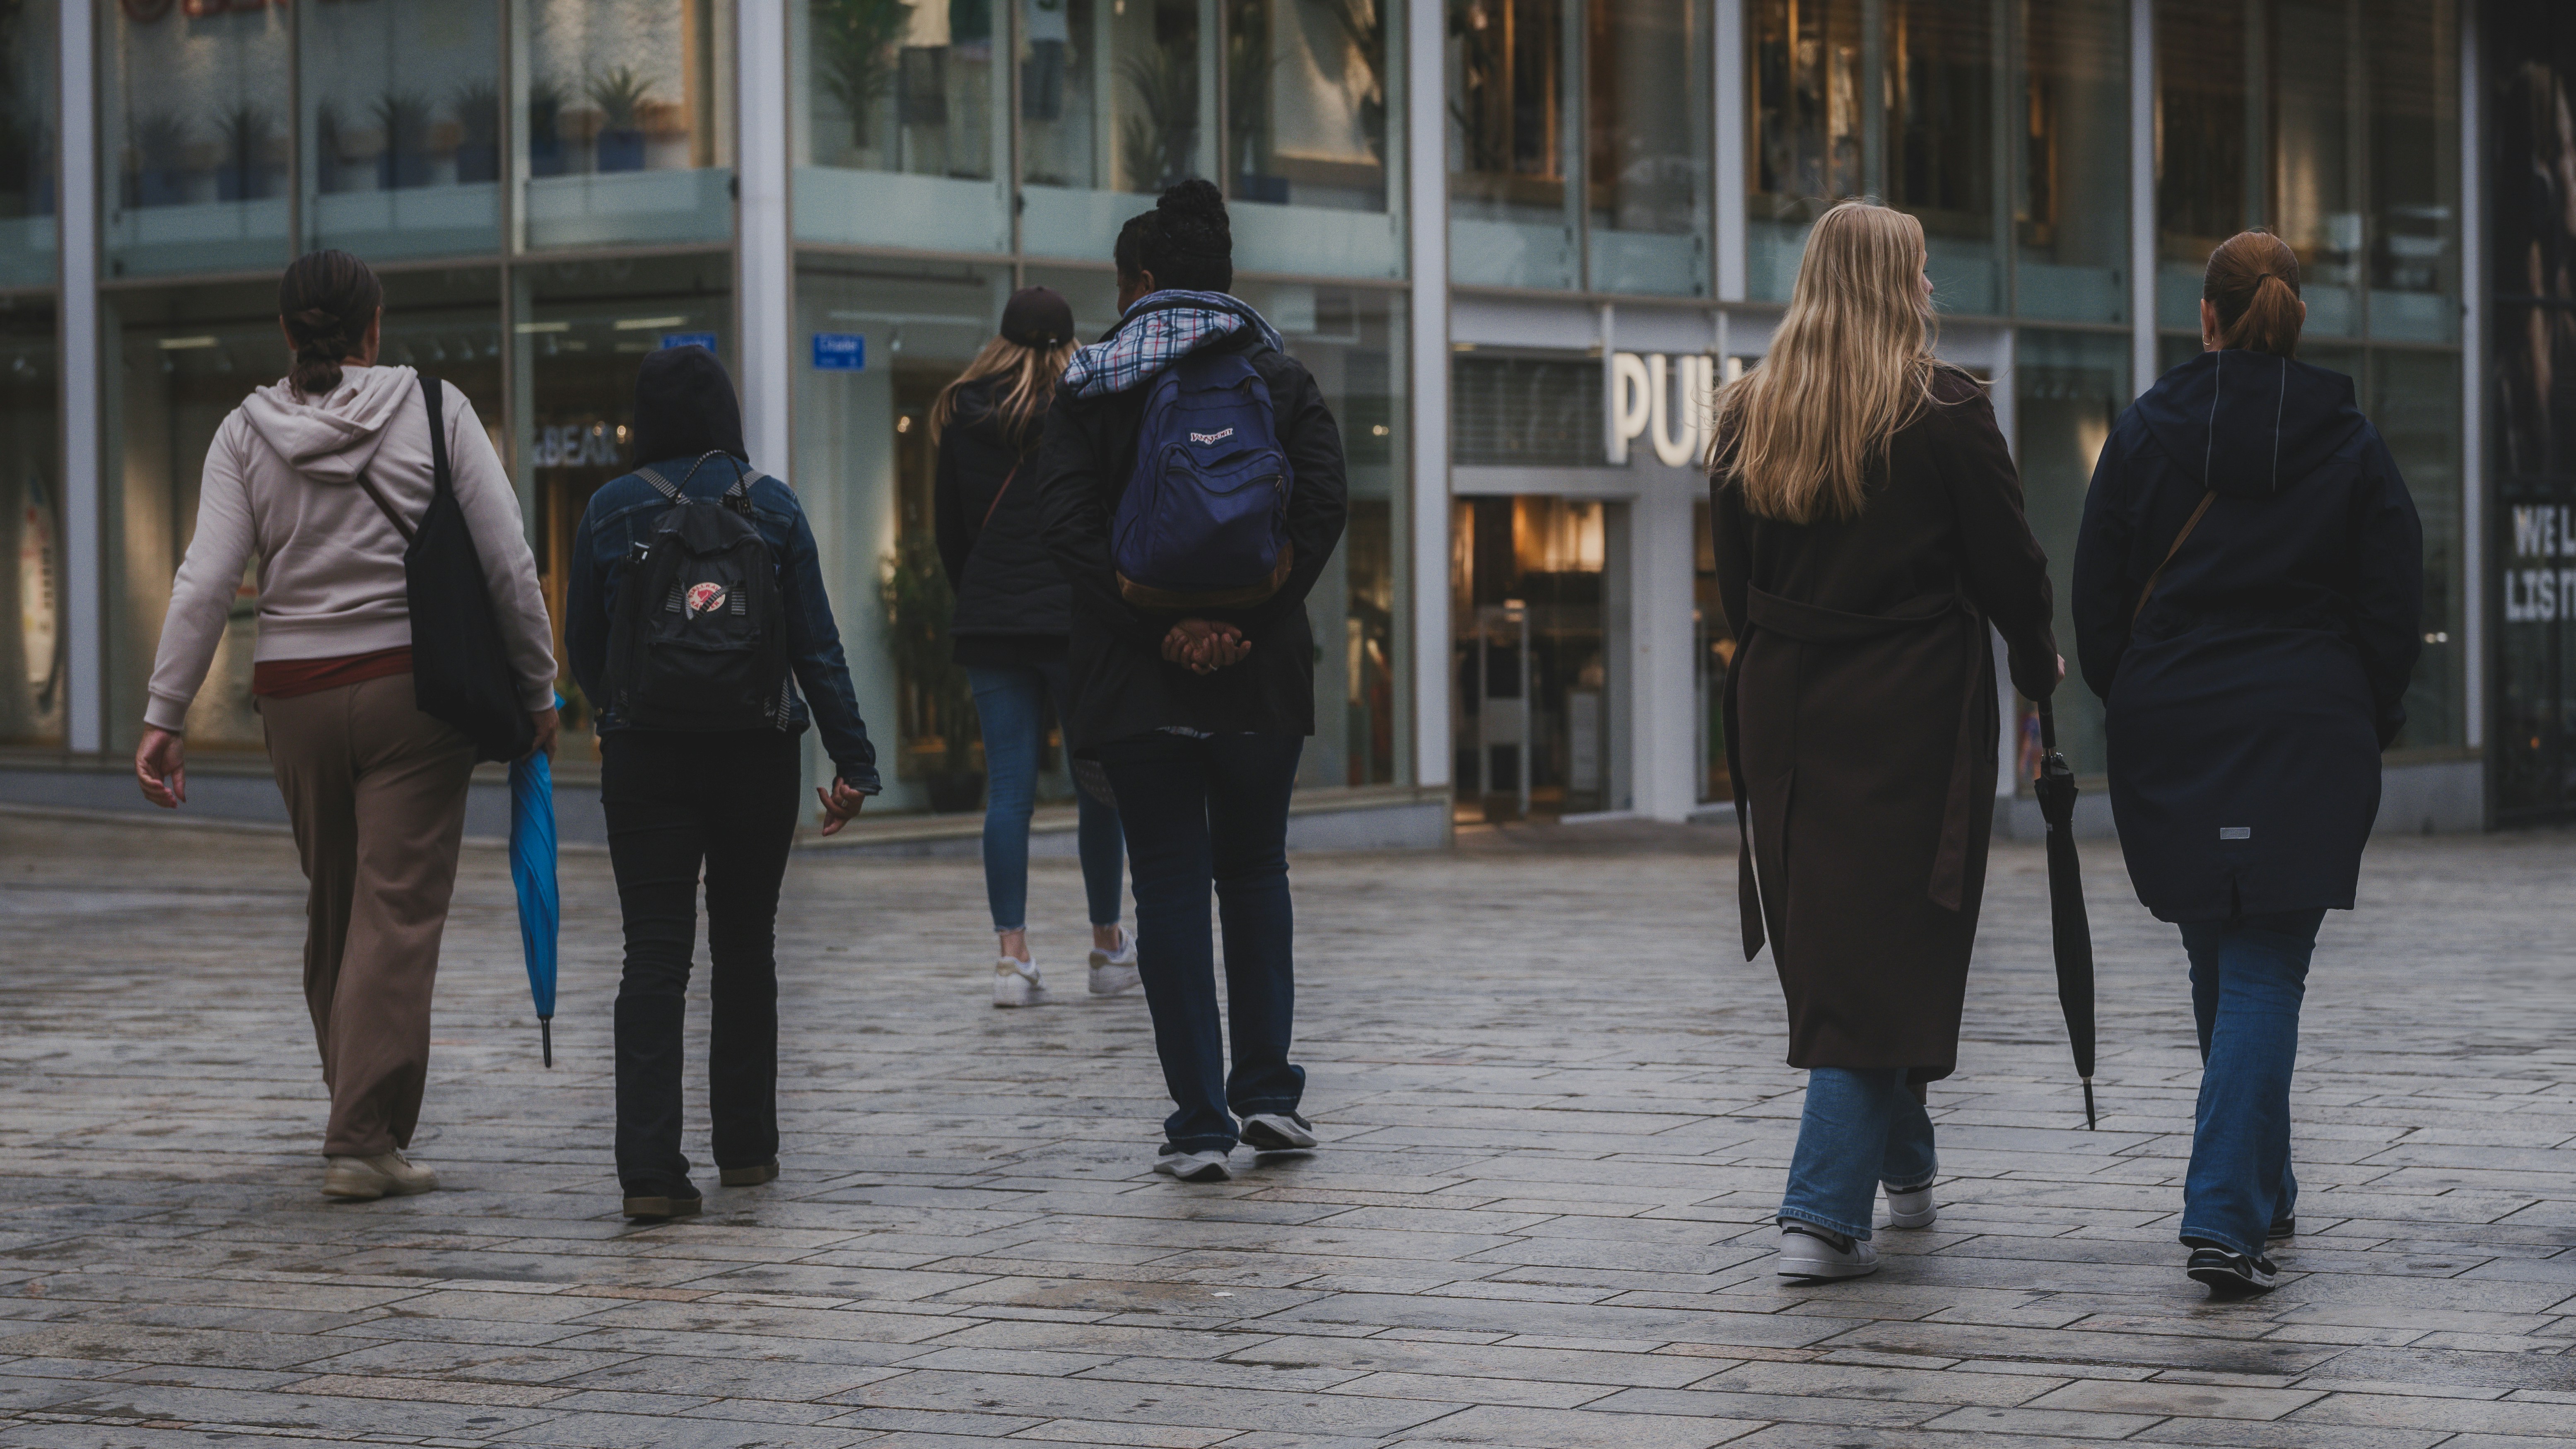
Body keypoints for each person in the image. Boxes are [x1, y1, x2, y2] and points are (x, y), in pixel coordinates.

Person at [133, 249, 559, 1202]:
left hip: (296, 698)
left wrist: (166, 714)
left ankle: (356, 1112)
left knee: (337, 905)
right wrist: (540, 692)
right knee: (395, 909)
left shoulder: (245, 432)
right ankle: (363, 1135)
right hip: (417, 697)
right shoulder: (436, 408)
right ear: (374, 326)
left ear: (287, 332)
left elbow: (205, 582)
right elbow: (508, 566)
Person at [1707, 201, 2060, 1281]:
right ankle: (1818, 1213)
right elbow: (2012, 573)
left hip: (1788, 709)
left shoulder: (1743, 413)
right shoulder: (1946, 412)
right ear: (1897, 285)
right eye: (1919, 273)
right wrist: (2038, 682)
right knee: (1884, 939)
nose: (1927, 293)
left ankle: (1901, 1162)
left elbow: (1736, 591)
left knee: (1846, 942)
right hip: (1911, 708)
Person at [2072, 230, 2422, 1298]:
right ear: (2294, 315)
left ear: (2207, 319)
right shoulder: (2350, 441)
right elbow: (2393, 603)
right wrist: (2363, 714)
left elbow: (2094, 595)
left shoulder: (2141, 434)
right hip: (2305, 727)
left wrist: (2128, 692)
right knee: (2262, 962)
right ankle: (2231, 1213)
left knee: (2221, 958)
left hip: (2173, 723)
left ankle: (2252, 1197)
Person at [1036, 179, 1348, 1183]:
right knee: (1255, 872)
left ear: (1144, 280)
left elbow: (1069, 526)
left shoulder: (1093, 384)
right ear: (1228, 278)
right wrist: (1247, 623)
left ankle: (1201, 1126)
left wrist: (1159, 631)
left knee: (1168, 883)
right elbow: (1325, 505)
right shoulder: (1279, 375)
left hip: (1138, 685)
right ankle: (1269, 1099)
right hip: (1258, 685)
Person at [565, 345, 883, 1222]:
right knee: (746, 945)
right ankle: (744, 1149)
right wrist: (853, 762)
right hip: (756, 752)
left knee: (653, 951)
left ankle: (647, 1172)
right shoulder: (770, 504)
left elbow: (584, 641)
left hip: (646, 759)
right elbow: (815, 645)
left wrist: (614, 710)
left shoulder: (607, 509)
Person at [932, 286, 1137, 1008]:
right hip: (1077, 620)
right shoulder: (1094, 404)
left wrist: (985, 596)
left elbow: (951, 534)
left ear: (1004, 338)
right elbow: (1111, 515)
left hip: (992, 623)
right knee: (1098, 787)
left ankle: (1012, 958)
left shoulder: (962, 412)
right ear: (1068, 341)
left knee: (1009, 792)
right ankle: (1108, 946)